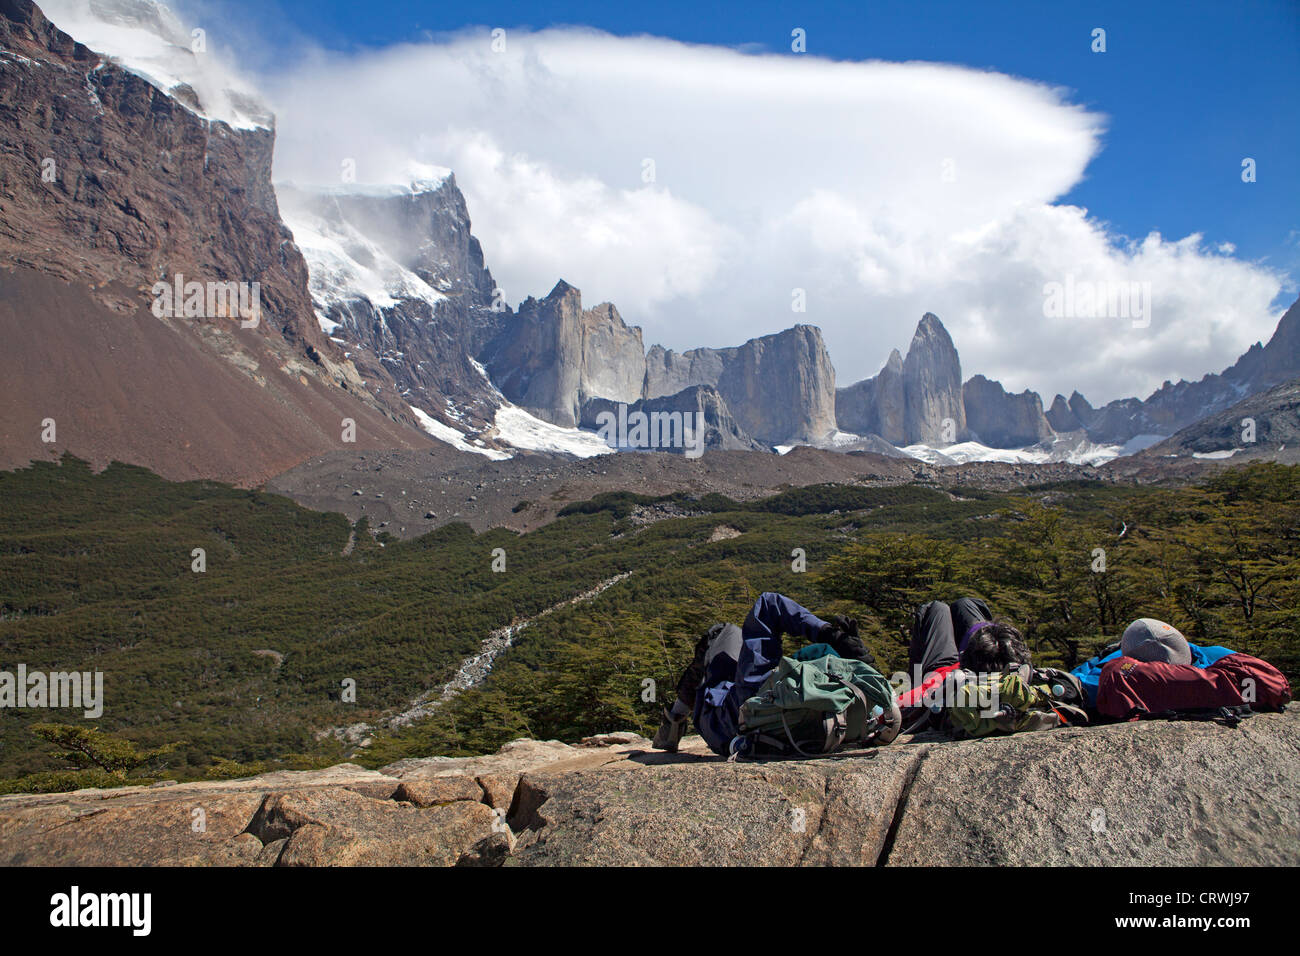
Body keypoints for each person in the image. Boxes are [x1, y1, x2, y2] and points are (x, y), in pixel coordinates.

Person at [652, 592, 872, 755]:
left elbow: (769, 604)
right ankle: (674, 720)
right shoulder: (824, 685)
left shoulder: (754, 686)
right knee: (819, 653)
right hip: (779, 723)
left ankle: (673, 722)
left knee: (722, 632)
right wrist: (860, 662)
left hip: (731, 720)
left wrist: (828, 633)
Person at [895, 597, 1031, 729]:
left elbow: (897, 708)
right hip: (993, 667)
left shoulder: (943, 684)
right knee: (966, 603)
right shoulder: (1024, 685)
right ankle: (996, 644)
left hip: (943, 670)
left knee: (936, 608)